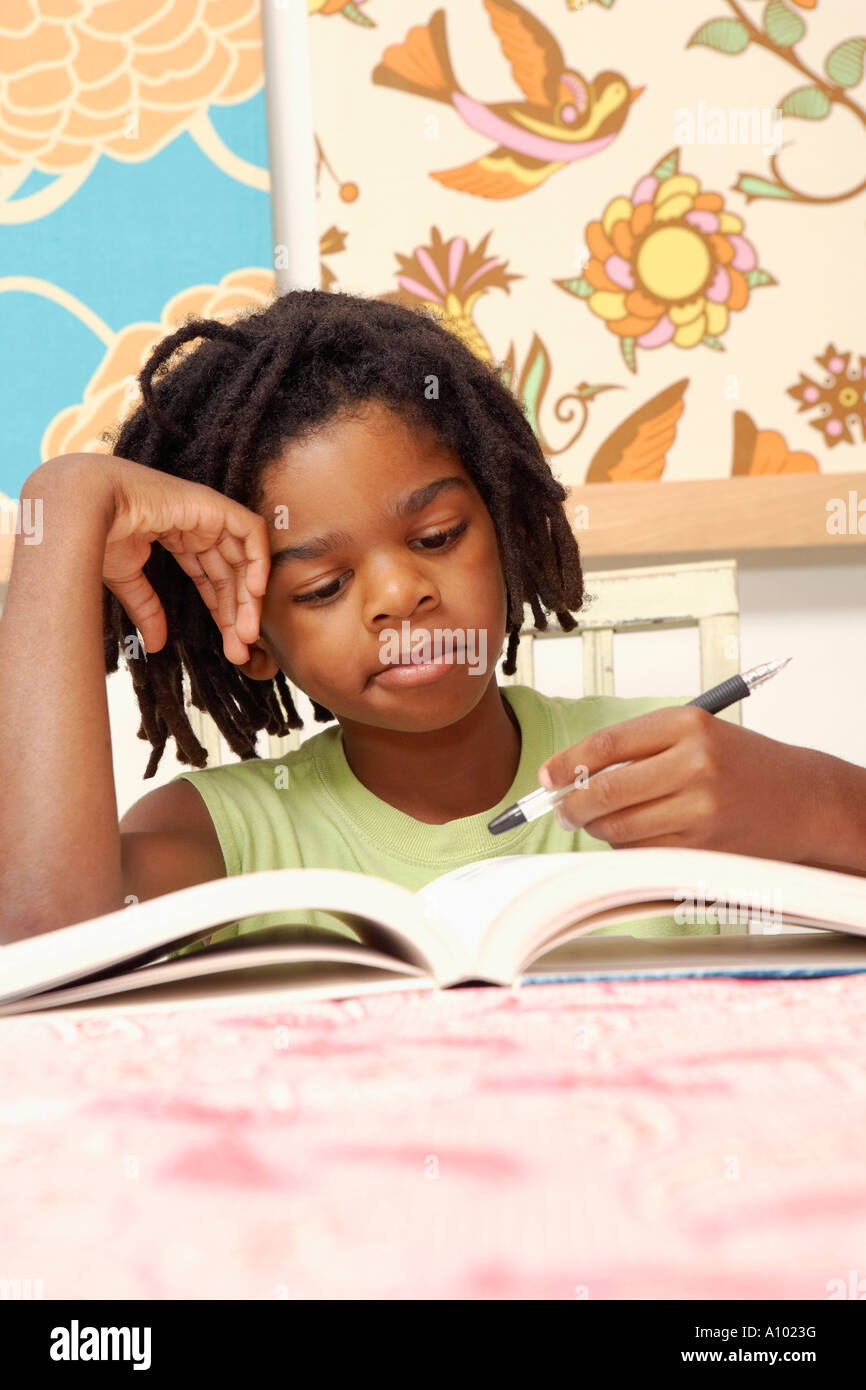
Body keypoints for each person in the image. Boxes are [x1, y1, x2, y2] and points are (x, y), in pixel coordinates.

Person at [2, 289, 864, 948]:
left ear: (508, 533)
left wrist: (809, 803)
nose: (396, 595)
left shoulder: (668, 766)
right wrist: (64, 507)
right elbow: (42, 934)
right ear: (251, 635)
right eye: (322, 587)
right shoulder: (220, 834)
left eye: (437, 535)